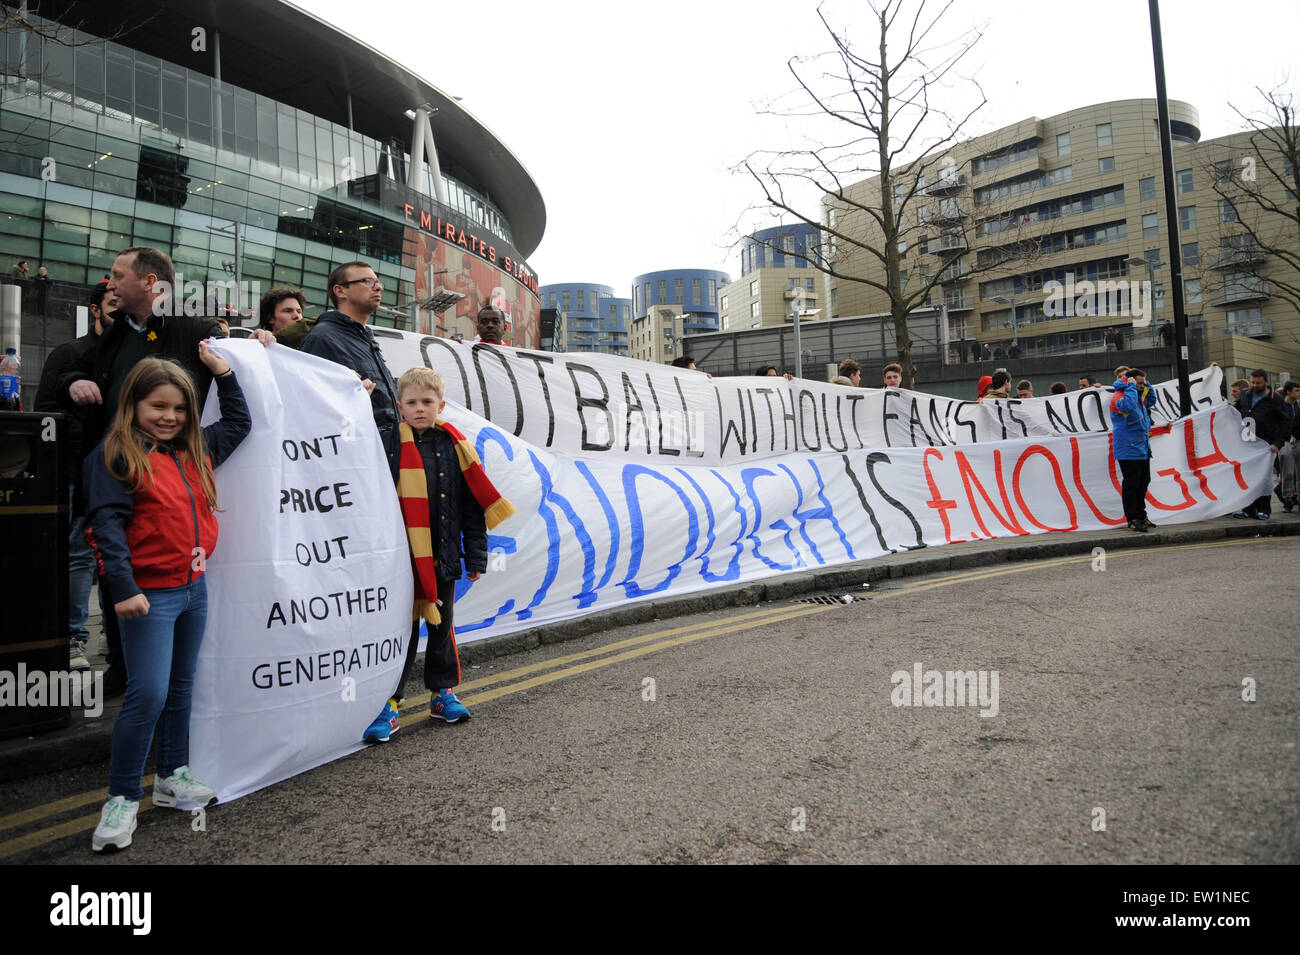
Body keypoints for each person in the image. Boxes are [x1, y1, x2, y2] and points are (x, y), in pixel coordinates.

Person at [59, 248, 259, 696]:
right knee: (116, 568)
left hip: (174, 481)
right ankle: (123, 664)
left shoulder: (194, 330)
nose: (109, 283)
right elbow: (70, 361)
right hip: (119, 473)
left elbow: (235, 367)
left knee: (169, 619)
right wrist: (70, 380)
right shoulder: (113, 336)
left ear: (149, 283)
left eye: (117, 275)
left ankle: (154, 680)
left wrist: (258, 344)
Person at [83, 348, 251, 852]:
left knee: (180, 689)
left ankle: (172, 776)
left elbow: (240, 421)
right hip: (148, 596)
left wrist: (226, 374)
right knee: (148, 695)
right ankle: (122, 797)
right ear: (132, 403)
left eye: (179, 409)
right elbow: (104, 527)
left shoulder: (195, 448)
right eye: (158, 406)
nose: (169, 417)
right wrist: (124, 588)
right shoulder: (113, 455)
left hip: (193, 590)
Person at [363, 367, 516, 741]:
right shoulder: (390, 443)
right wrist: (361, 398)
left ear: (440, 405)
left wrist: (475, 557)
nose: (419, 409)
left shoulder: (455, 446)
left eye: (427, 402)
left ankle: (441, 692)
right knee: (399, 635)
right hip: (401, 561)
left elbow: (469, 508)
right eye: (411, 402)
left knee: (441, 628)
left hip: (443, 555)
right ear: (400, 406)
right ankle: (388, 701)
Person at [35, 282, 118, 671]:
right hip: (77, 472)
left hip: (121, 473)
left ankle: (110, 638)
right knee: (81, 555)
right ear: (95, 310)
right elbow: (44, 414)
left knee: (113, 557)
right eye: (112, 305)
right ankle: (74, 637)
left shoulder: (129, 351)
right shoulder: (70, 352)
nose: (119, 312)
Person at [300, 262, 400, 476]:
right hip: (357, 462)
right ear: (340, 290)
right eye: (367, 281)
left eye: (378, 282)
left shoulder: (365, 337)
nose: (378, 287)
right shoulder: (323, 338)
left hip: (384, 455)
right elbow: (313, 408)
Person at [1232, 370, 1290, 520]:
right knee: (1247, 476)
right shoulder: (1245, 394)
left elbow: (1285, 423)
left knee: (1264, 477)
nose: (1255, 385)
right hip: (1247, 442)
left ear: (1266, 382)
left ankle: (1264, 509)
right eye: (1253, 382)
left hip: (1266, 444)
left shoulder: (1276, 399)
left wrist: (1278, 443)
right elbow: (1237, 409)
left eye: (1258, 383)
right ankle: (1248, 508)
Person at [1109, 372, 1155, 532]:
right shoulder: (1119, 397)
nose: (1142, 386)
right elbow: (1128, 406)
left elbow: (1151, 400)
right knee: (1132, 484)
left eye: (1144, 383)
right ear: (1129, 382)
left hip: (1142, 447)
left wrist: (1146, 384)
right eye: (1140, 383)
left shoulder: (1137, 395)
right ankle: (1132, 518)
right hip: (1128, 448)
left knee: (1144, 481)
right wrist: (1130, 387)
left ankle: (1141, 515)